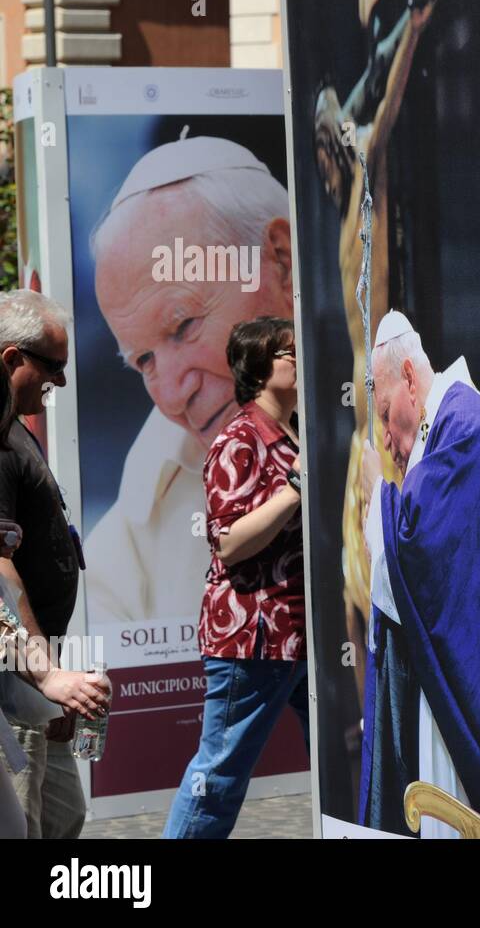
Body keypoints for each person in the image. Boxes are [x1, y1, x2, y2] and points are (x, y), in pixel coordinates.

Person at [357, 311, 480, 839]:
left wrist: (380, 497)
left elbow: (419, 560)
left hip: (475, 694)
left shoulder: (461, 428)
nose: (389, 439)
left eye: (385, 411)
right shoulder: (454, 423)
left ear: (411, 382)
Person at [87, 136, 295, 627]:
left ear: (281, 261)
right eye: (143, 361)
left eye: (184, 326)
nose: (174, 396)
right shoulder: (129, 545)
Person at [317, 0, 444, 706]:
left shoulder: (365, 181)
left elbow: (387, 112)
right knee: (352, 592)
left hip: (381, 436)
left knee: (375, 588)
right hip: (368, 435)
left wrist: (415, 28)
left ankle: (388, 721)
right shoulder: (345, 212)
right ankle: (372, 726)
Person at [163, 318, 308, 838]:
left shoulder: (292, 433)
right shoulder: (238, 438)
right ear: (260, 369)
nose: (299, 357)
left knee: (347, 755)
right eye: (288, 352)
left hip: (296, 634)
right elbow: (228, 541)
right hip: (254, 636)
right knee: (218, 776)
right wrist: (295, 492)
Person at [0, 290, 101, 838]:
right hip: (15, 677)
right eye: (53, 367)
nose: (59, 383)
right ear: (13, 359)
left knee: (64, 817)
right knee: (23, 826)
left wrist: (53, 675)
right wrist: (44, 672)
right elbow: (0, 571)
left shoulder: (14, 430)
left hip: (37, 671)